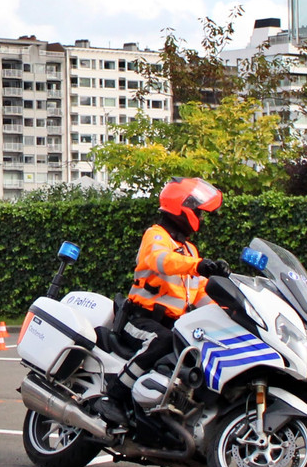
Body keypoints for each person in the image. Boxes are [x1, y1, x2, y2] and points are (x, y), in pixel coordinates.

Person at [93, 178, 228, 428]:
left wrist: (228, 313)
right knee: (161, 341)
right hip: (140, 319)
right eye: (199, 212)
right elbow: (161, 260)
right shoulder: (156, 235)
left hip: (172, 324)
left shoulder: (189, 250)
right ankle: (113, 397)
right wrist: (198, 266)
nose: (202, 218)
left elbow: (197, 293)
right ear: (182, 207)